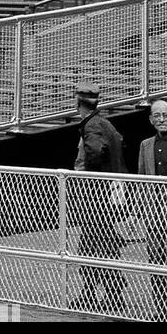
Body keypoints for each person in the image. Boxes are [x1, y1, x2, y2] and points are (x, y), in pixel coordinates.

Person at [73, 84, 128, 312]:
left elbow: (95, 152)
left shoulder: (93, 126)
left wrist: (86, 179)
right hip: (105, 195)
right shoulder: (105, 124)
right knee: (93, 244)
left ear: (78, 103)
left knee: (99, 245)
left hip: (96, 195)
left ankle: (112, 293)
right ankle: (92, 291)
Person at [136, 97, 167, 316]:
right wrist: (138, 213)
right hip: (155, 215)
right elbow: (141, 181)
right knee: (156, 263)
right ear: (150, 119)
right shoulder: (145, 145)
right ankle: (161, 309)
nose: (162, 119)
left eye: (166, 115)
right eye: (157, 115)